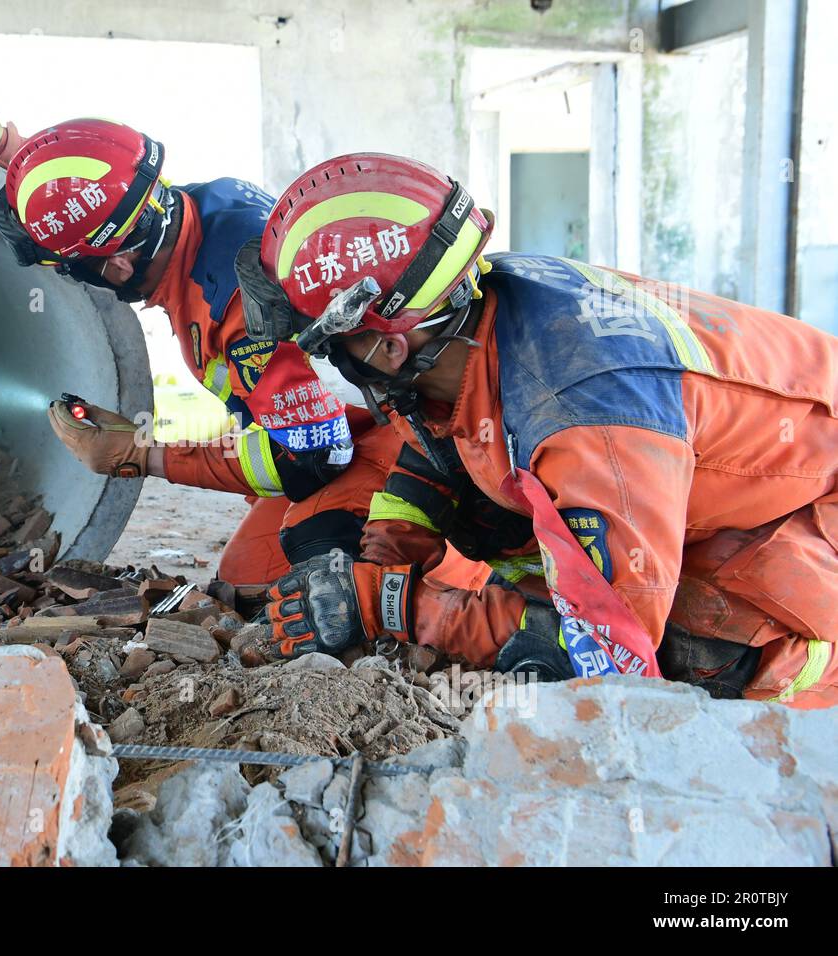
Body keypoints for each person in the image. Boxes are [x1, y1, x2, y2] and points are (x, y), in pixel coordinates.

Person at [241, 151, 838, 708]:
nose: (333, 366)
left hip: (813, 507)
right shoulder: (474, 318)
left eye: (333, 349)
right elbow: (434, 446)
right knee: (494, 514)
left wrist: (396, 609)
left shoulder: (585, 423)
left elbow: (612, 657)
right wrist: (382, 560)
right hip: (705, 467)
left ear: (389, 345)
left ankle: (793, 695)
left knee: (688, 647)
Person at [0, 74, 487, 590]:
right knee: (259, 553)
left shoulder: (237, 307)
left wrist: (139, 454)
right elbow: (100, 195)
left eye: (69, 267)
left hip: (402, 448)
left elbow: (313, 456)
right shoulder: (195, 210)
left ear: (116, 264)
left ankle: (461, 569)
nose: (75, 278)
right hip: (371, 426)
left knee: (261, 581)